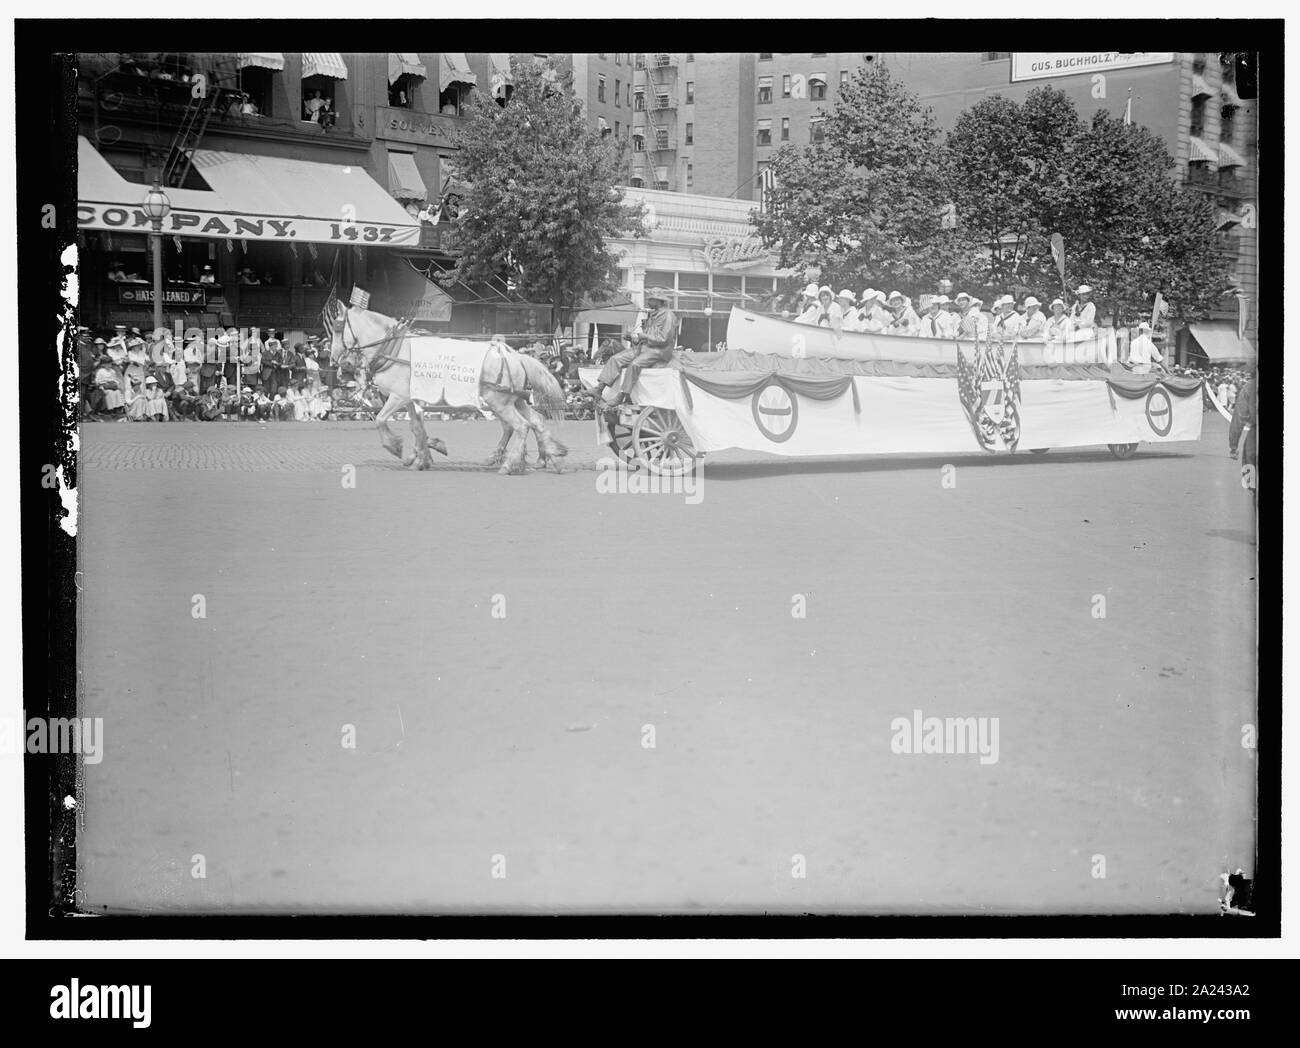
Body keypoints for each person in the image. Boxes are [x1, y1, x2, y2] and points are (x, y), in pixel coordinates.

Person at [586, 289, 679, 406]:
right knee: (615, 359)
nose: (647, 301)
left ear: (658, 301)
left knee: (635, 365)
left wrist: (644, 335)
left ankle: (621, 396)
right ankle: (599, 389)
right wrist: (634, 339)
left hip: (659, 350)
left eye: (650, 299)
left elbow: (664, 339)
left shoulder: (668, 316)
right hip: (644, 347)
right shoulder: (652, 315)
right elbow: (647, 336)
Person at [1228, 369, 1258, 507]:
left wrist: (1233, 447)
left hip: (1254, 436)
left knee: (1251, 481)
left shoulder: (1249, 386)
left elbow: (1238, 419)